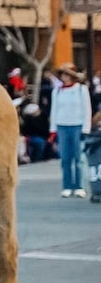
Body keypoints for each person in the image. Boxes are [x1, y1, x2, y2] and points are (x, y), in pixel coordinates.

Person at [49, 63, 92, 198]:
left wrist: (86, 128)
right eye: (62, 74)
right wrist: (53, 129)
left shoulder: (81, 89)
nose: (64, 77)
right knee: (65, 158)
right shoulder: (57, 91)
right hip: (62, 125)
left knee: (78, 158)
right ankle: (67, 186)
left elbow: (87, 109)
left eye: (67, 74)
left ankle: (79, 186)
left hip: (77, 125)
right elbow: (54, 110)